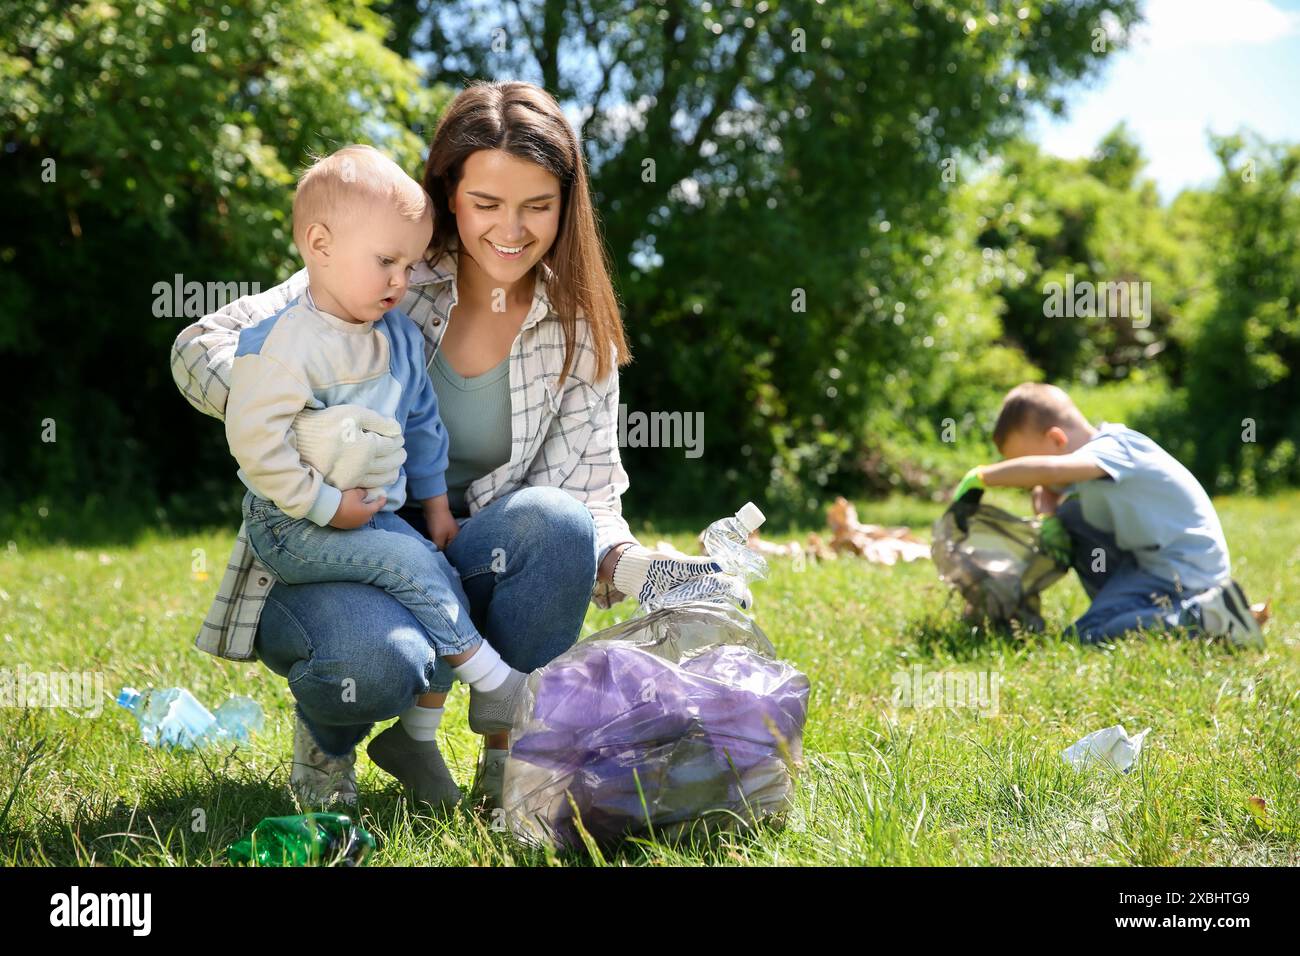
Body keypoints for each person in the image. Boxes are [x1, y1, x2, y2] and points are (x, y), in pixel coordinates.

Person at [171, 81, 736, 813]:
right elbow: (200, 346)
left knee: (555, 524)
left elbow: (588, 499)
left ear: (567, 205)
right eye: (486, 205)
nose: (513, 229)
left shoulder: (576, 330)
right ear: (448, 194)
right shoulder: (388, 270)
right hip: (333, 549)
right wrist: (309, 421)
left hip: (461, 552)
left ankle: (509, 763)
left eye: (538, 205)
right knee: (377, 661)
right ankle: (327, 748)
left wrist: (654, 576)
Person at [951, 382, 1264, 647]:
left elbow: (1052, 470)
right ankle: (1126, 610)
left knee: (1089, 634)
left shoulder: (1115, 447)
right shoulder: (1092, 461)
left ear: (1057, 439)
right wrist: (1047, 512)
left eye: (1027, 466)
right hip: (1151, 567)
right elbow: (1050, 483)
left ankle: (1206, 617)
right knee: (1070, 515)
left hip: (1187, 573)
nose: (1031, 480)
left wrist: (984, 476)